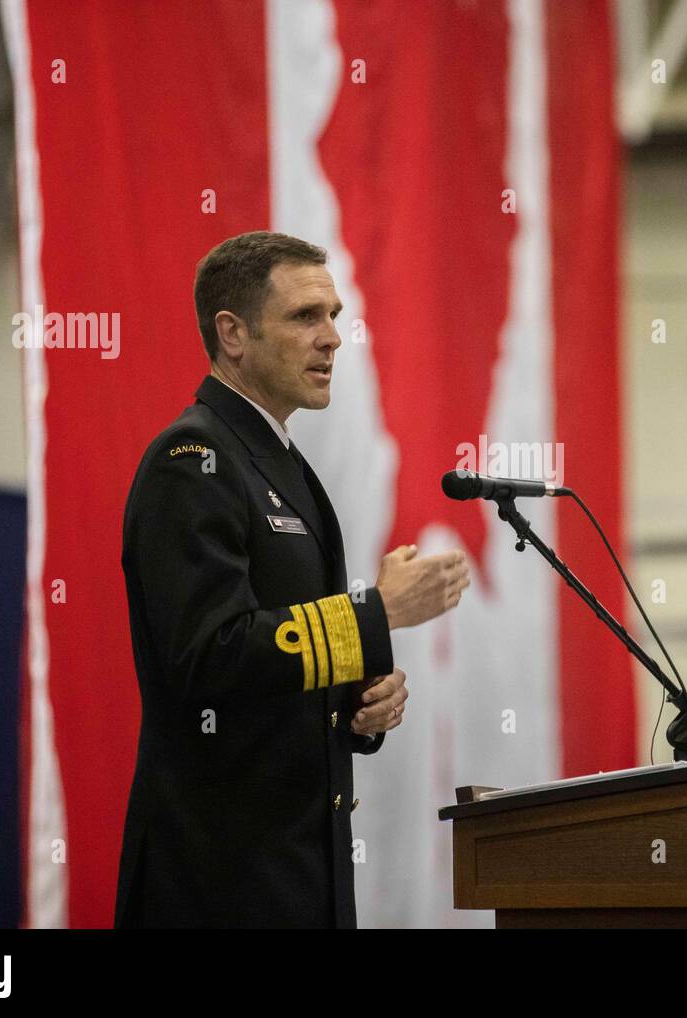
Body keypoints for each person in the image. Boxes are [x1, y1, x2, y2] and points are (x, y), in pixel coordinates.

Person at [114, 231, 469, 928]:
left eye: (335, 315)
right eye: (306, 316)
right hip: (219, 879)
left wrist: (361, 699)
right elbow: (212, 657)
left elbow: (280, 660)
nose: (333, 337)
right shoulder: (193, 460)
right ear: (233, 333)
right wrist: (374, 615)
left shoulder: (277, 465)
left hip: (300, 866)